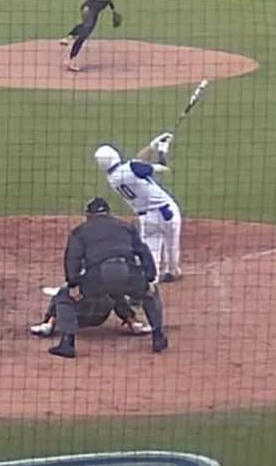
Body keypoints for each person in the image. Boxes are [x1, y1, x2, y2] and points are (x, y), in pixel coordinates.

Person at [44, 197, 167, 358]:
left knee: (64, 296)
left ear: (88, 214)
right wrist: (150, 278)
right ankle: (158, 336)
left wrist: (73, 283)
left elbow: (72, 258)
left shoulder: (81, 231)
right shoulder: (126, 227)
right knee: (150, 293)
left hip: (98, 275)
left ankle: (67, 343)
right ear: (108, 212)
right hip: (128, 273)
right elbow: (144, 252)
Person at [93, 133, 182, 282]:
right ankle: (172, 271)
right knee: (171, 244)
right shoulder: (130, 169)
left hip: (146, 218)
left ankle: (151, 279)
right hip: (166, 212)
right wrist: (162, 150)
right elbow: (162, 167)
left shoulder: (113, 177)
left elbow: (137, 162)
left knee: (151, 249)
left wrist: (152, 145)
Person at [58, 0, 119, 73]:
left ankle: (71, 58)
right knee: (87, 26)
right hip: (89, 8)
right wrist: (88, 8)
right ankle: (69, 38)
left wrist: (113, 10)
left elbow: (109, 0)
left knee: (84, 34)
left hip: (95, 12)